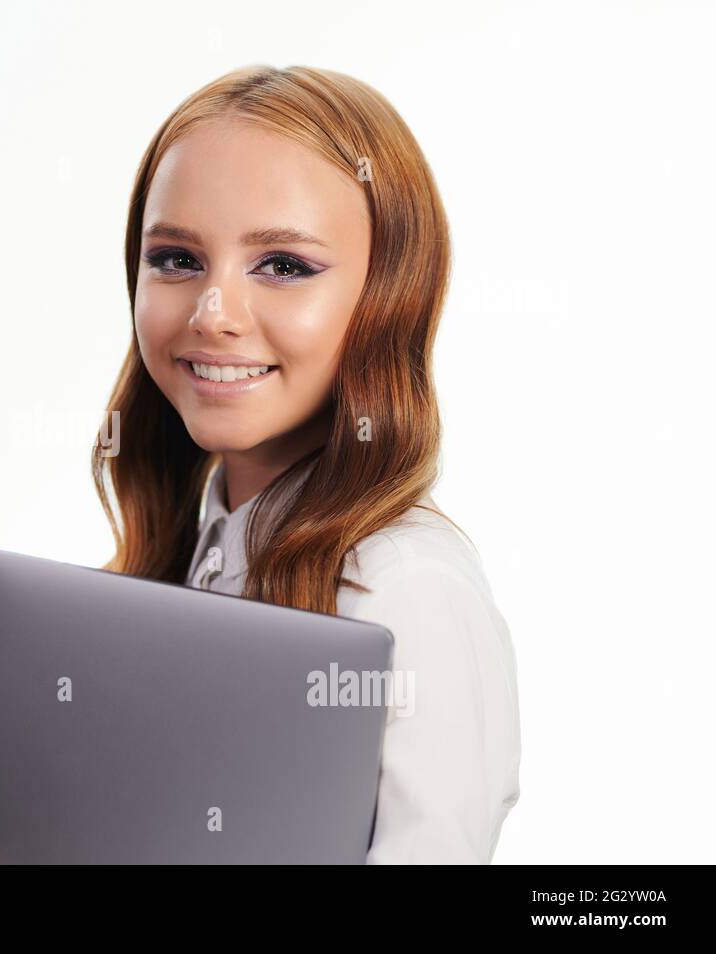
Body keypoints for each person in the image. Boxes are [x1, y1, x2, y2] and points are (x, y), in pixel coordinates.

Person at [91, 65, 520, 863]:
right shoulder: (181, 555)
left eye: (283, 265)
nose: (214, 315)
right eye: (178, 259)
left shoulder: (405, 590)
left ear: (390, 296)